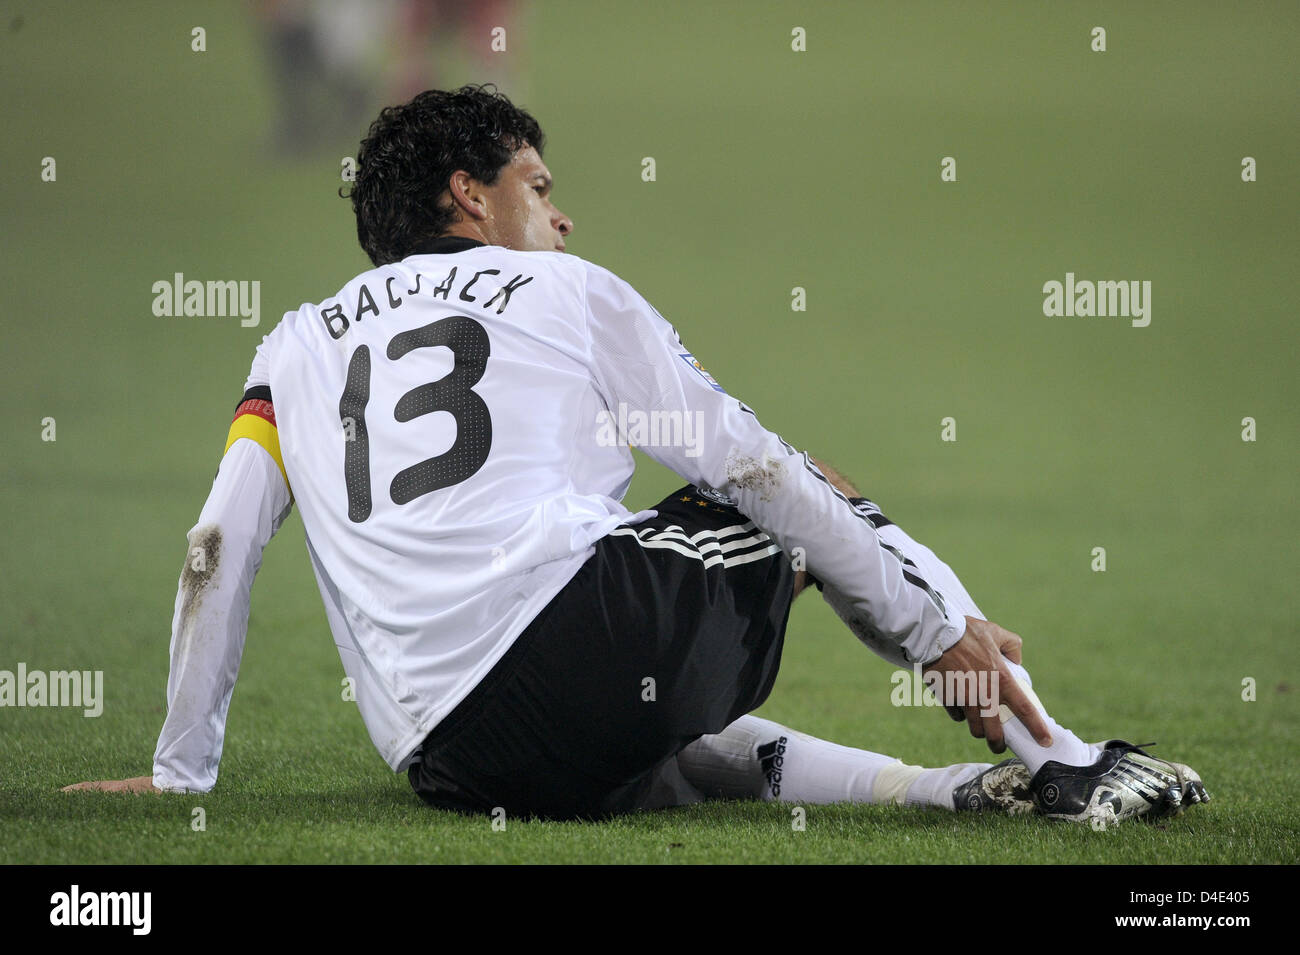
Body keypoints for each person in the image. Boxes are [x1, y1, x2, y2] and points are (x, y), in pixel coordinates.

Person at [64, 85, 1207, 830]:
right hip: (585, 647)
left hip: (450, 758)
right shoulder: (564, 289)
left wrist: (181, 772)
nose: (560, 220)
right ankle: (1057, 754)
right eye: (539, 188)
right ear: (470, 196)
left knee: (671, 731)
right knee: (808, 489)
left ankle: (958, 789)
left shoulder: (296, 340)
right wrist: (932, 626)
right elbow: (757, 471)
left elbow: (216, 544)